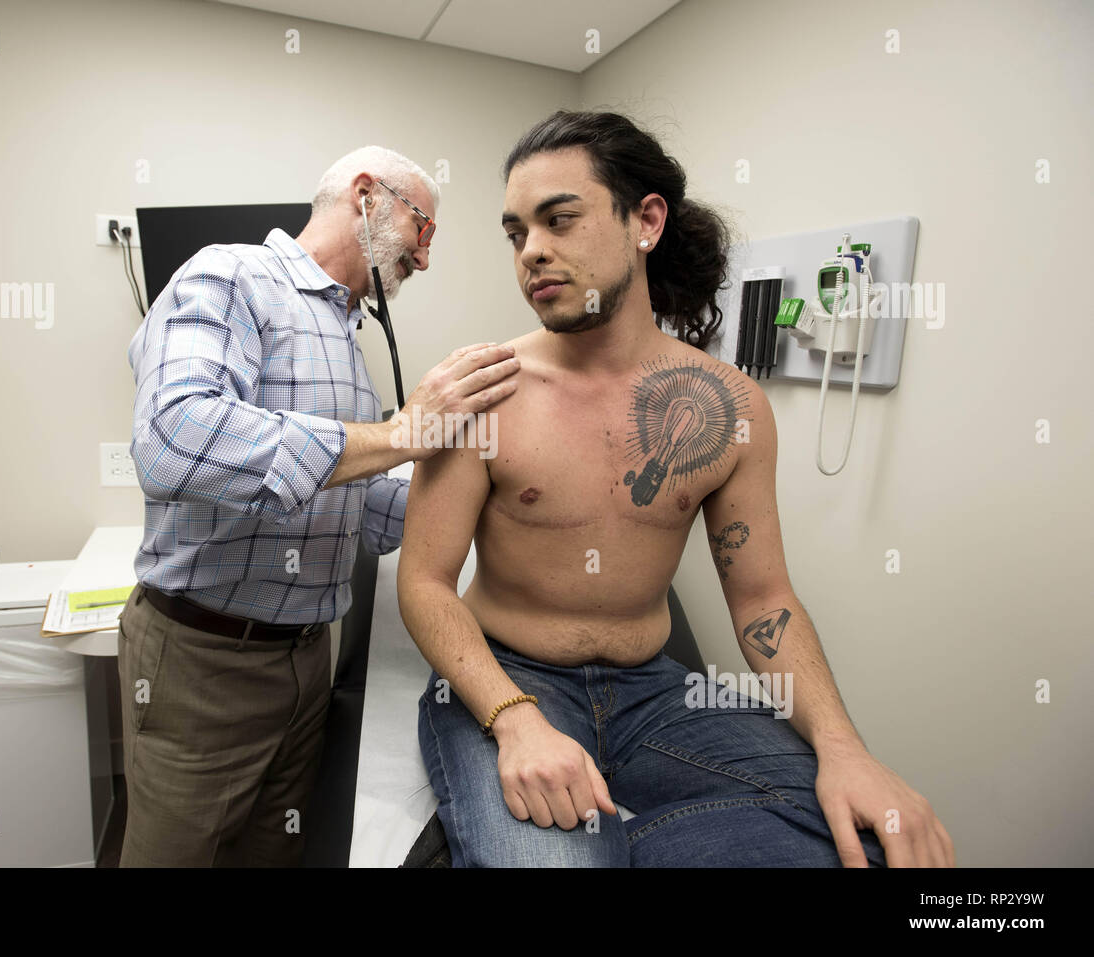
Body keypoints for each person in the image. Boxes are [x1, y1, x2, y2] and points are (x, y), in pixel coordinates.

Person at [398, 111, 955, 867]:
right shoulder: (481, 390)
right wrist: (517, 722)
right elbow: (425, 583)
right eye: (516, 233)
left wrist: (843, 747)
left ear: (647, 222)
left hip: (657, 694)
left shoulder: (732, 407)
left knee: (861, 837)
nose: (531, 252)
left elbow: (763, 599)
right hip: (508, 679)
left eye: (559, 219)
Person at [118, 145, 520, 866]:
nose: (424, 258)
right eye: (423, 228)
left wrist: (491, 499)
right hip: (206, 661)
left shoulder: (344, 337)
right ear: (367, 195)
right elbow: (173, 439)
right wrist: (402, 433)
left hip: (307, 658)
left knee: (275, 853)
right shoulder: (230, 276)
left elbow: (357, 503)